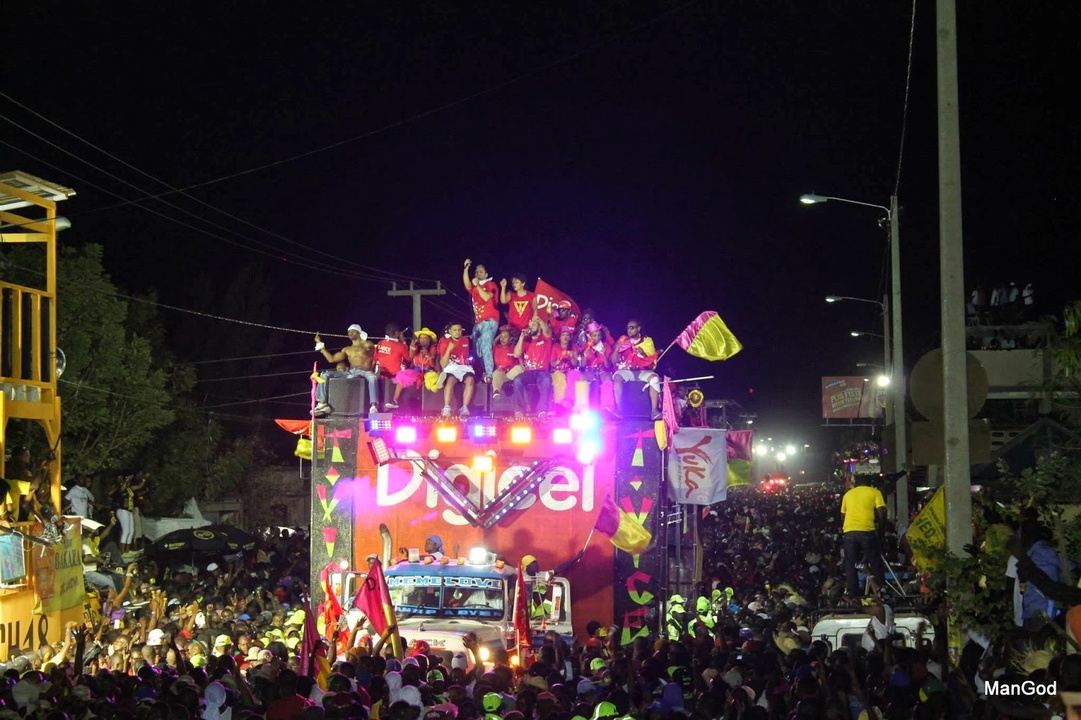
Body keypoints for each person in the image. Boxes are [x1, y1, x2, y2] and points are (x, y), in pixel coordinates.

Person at [312, 324, 379, 416]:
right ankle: (322, 403)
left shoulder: (367, 344)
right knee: (325, 374)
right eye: (348, 332)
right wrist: (320, 345)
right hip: (351, 372)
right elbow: (331, 359)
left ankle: (373, 406)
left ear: (359, 332)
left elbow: (376, 353)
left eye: (352, 331)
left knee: (373, 378)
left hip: (365, 372)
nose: (350, 333)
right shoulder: (347, 349)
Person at [839, 476, 886, 598]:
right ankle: (881, 588)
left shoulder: (847, 495)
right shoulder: (875, 492)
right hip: (866, 531)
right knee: (874, 560)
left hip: (849, 531)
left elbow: (842, 516)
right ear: (869, 483)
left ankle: (852, 592)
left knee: (850, 563)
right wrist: (881, 532)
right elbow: (882, 513)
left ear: (855, 483)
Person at [611, 319, 660, 419]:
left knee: (655, 378)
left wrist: (642, 353)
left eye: (632, 328)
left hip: (643, 371)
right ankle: (619, 410)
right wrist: (617, 348)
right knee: (617, 377)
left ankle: (654, 411)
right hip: (628, 371)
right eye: (628, 328)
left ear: (639, 328)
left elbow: (652, 362)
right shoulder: (624, 341)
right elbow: (613, 361)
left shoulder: (647, 341)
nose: (629, 330)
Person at [463, 258, 499, 384]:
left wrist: (478, 285)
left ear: (486, 274)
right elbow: (467, 285)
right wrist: (466, 269)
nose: (478, 273)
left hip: (489, 321)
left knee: (485, 345)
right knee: (475, 349)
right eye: (476, 272)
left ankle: (489, 373)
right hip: (479, 323)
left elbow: (487, 297)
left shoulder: (491, 284)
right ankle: (482, 371)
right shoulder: (474, 288)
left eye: (481, 272)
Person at [513, 315, 553, 417]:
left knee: (546, 380)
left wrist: (538, 319)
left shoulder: (545, 340)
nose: (531, 325)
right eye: (531, 324)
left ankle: (542, 410)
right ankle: (520, 410)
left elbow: (547, 332)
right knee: (517, 380)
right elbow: (516, 354)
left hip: (542, 372)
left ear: (539, 327)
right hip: (529, 373)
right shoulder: (526, 343)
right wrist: (521, 337)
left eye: (534, 324)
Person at [436, 322, 476, 418]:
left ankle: (464, 408)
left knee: (470, 380)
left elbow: (464, 358)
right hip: (450, 367)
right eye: (454, 330)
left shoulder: (465, 340)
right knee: (450, 381)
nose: (457, 332)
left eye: (459, 330)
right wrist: (449, 350)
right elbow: (443, 364)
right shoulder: (444, 341)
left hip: (463, 367)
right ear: (450, 331)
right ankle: (446, 408)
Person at [375, 323, 410, 410]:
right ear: (397, 333)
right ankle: (394, 400)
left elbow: (375, 358)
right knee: (404, 376)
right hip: (393, 375)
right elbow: (408, 358)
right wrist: (403, 340)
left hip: (380, 373)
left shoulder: (380, 343)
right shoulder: (400, 346)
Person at [549, 327, 580, 411]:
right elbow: (552, 364)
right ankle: (559, 404)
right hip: (558, 371)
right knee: (559, 376)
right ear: (560, 337)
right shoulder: (556, 346)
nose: (565, 337)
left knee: (573, 374)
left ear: (570, 337)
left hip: (570, 371)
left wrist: (572, 357)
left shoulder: (574, 347)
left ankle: (568, 401)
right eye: (563, 335)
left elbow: (575, 364)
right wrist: (559, 360)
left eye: (567, 335)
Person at [492, 325, 524, 398]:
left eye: (505, 337)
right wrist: (501, 334)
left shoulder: (513, 347)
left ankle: (505, 382)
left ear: (510, 339)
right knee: (496, 373)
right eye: (501, 337)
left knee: (519, 368)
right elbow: (493, 342)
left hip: (511, 374)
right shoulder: (496, 347)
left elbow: (521, 363)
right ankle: (496, 391)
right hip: (500, 373)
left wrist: (518, 357)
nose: (502, 339)